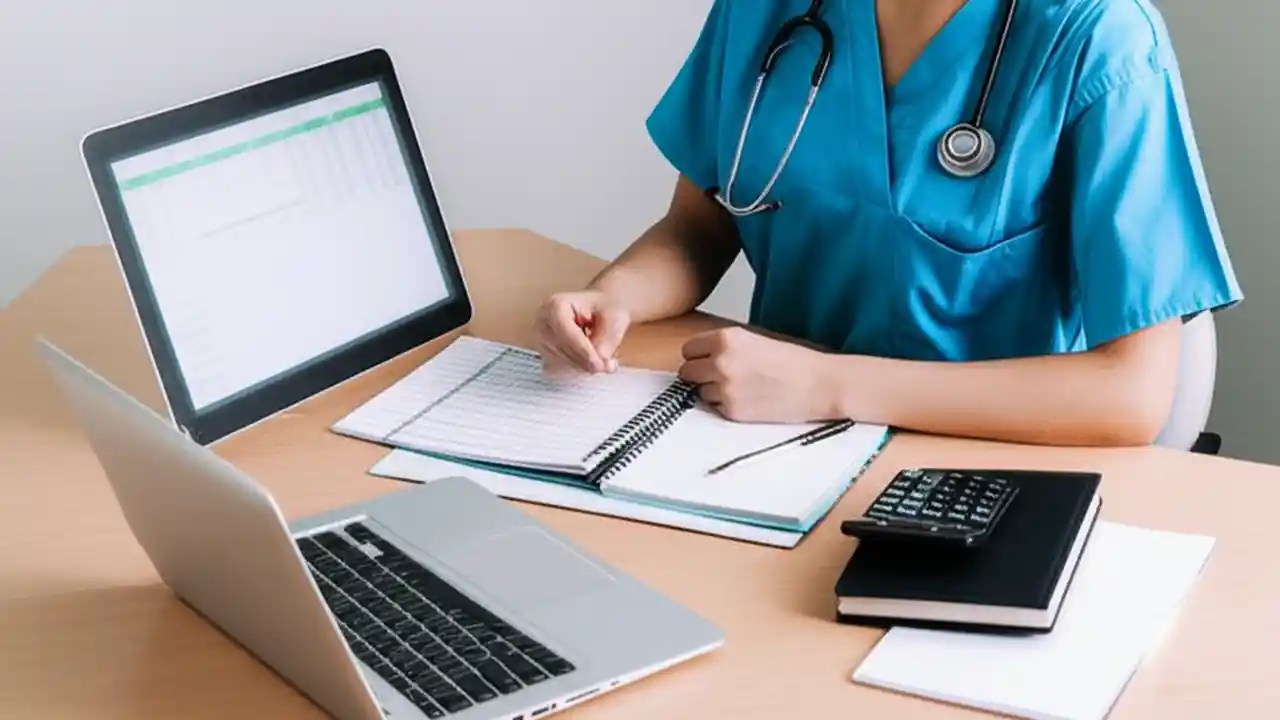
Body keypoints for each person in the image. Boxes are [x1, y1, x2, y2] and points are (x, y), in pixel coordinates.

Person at [534, 0, 1241, 447]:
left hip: (994, 464)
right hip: (770, 444)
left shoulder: (1099, 37)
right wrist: (616, 295)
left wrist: (830, 385)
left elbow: (1130, 396)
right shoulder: (761, 12)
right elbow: (700, 226)